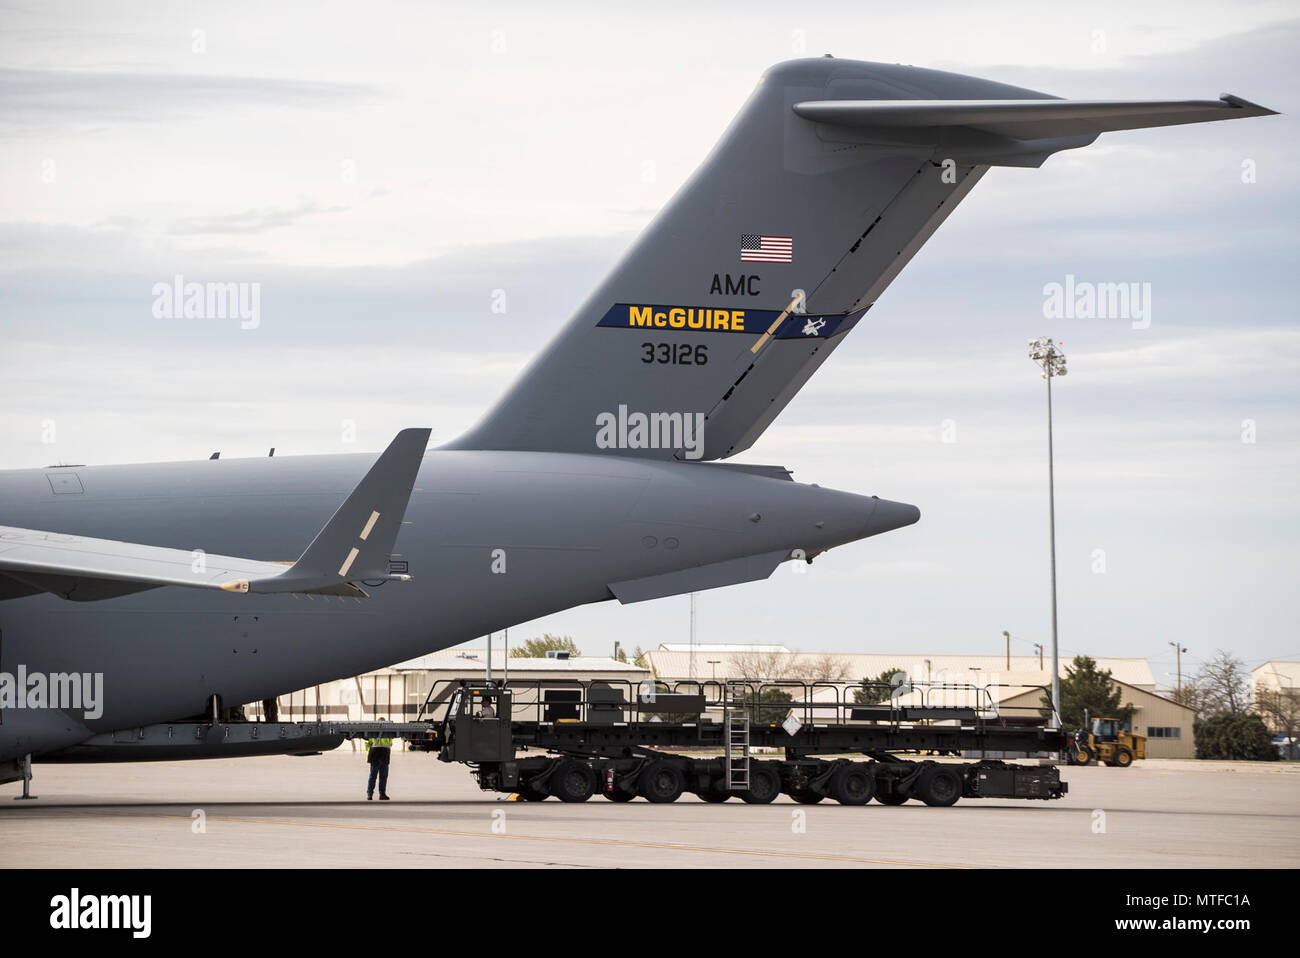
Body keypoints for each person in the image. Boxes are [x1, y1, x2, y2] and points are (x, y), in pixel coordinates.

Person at [365, 721, 394, 801]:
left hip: (379, 754)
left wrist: (370, 751)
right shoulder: (387, 732)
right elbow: (390, 743)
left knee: (379, 777)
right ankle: (373, 794)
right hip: (380, 754)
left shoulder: (373, 731)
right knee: (377, 776)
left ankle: (376, 794)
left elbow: (368, 743)